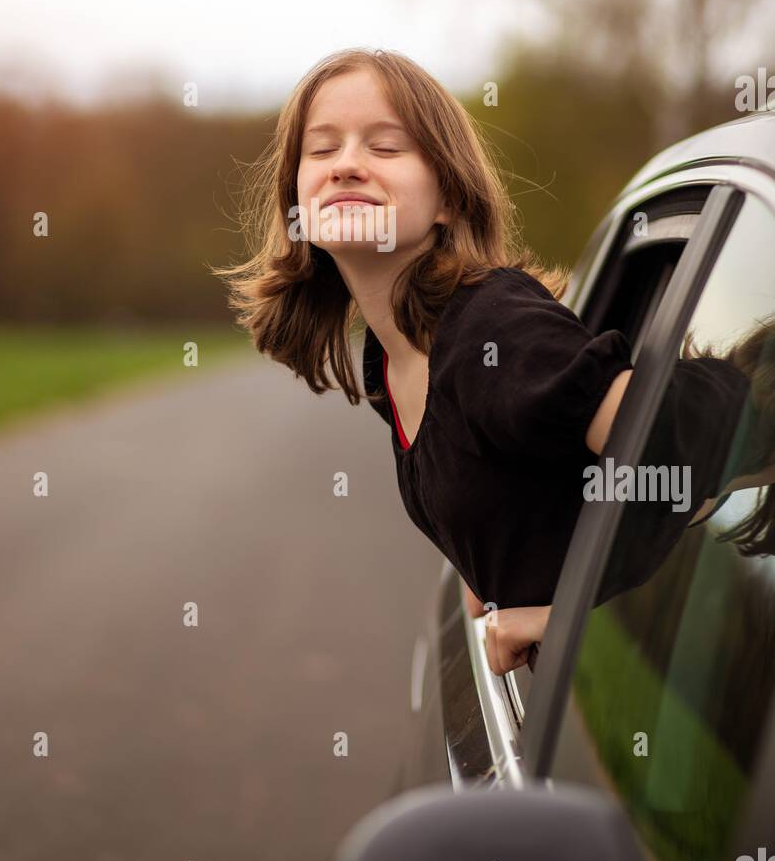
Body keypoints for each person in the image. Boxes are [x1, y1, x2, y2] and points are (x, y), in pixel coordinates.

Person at [210, 49, 763, 677]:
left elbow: (685, 448)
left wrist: (567, 614)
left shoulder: (487, 329)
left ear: (447, 198)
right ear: (297, 200)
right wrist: (497, 565)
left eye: (386, 147)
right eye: (323, 148)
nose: (347, 165)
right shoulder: (387, 364)